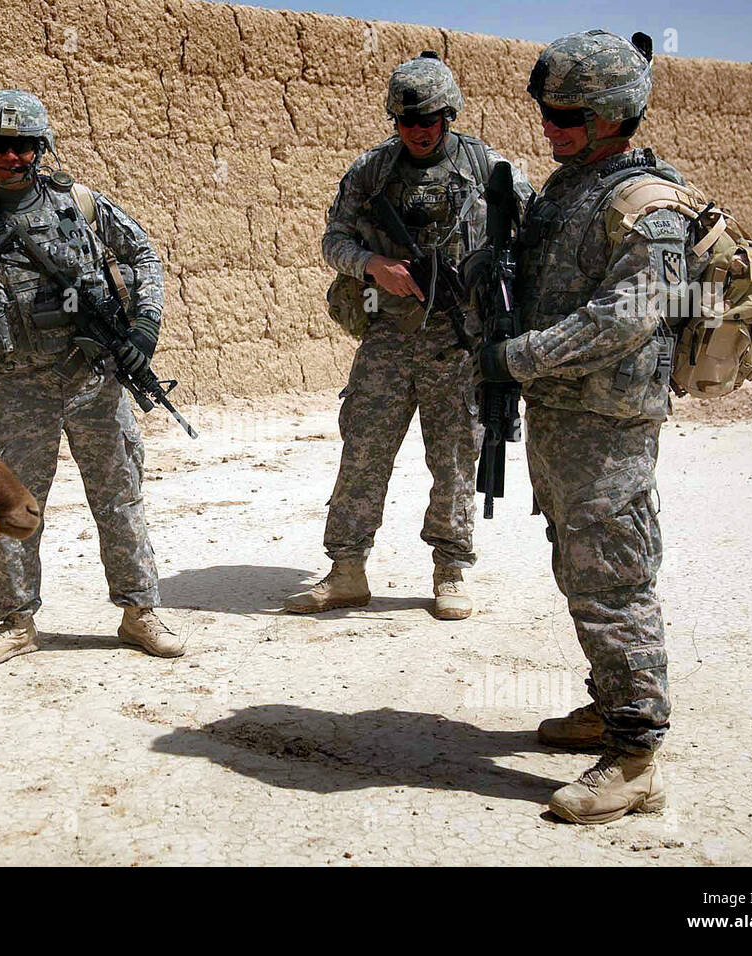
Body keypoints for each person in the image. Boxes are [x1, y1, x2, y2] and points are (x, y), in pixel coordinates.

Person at [477, 30, 684, 823]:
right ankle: (610, 704)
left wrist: (518, 357)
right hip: (562, 414)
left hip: (609, 422)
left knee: (615, 581)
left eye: (568, 113)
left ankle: (636, 757)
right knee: (578, 567)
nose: (551, 125)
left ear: (613, 115)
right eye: (546, 110)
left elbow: (626, 317)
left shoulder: (648, 206)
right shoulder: (570, 188)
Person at [0, 90, 183, 664]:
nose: (11, 157)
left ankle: (140, 612)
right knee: (11, 505)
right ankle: (16, 624)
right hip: (17, 388)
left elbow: (143, 255)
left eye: (22, 146)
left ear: (40, 148)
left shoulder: (81, 205)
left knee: (119, 497)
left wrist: (143, 326)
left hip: (92, 378)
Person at [285, 52, 531, 620]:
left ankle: (450, 569)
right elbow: (333, 241)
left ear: (449, 115)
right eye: (406, 122)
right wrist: (374, 266)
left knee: (453, 457)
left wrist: (495, 284)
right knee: (364, 451)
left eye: (429, 121)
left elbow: (531, 234)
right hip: (388, 340)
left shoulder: (489, 170)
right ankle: (347, 570)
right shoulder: (372, 171)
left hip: (459, 339)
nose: (418, 132)